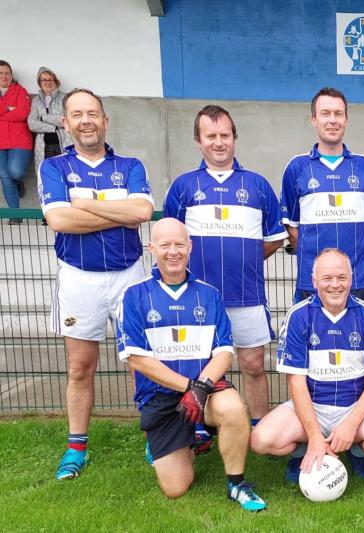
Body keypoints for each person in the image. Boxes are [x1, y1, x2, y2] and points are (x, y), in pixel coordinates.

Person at [38, 88, 154, 480]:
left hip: (128, 274)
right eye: (77, 114)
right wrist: (118, 214)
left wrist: (83, 204)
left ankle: (155, 438)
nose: (86, 120)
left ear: (105, 120)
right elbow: (60, 221)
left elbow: (142, 211)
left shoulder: (130, 164)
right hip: (79, 277)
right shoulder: (54, 168)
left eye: (93, 113)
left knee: (141, 363)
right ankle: (76, 448)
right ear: (66, 123)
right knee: (79, 366)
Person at [116, 218, 266, 511]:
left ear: (190, 247)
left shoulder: (209, 294)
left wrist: (202, 387)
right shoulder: (133, 296)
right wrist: (188, 387)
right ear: (151, 249)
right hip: (163, 397)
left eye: (179, 244)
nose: (173, 252)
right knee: (176, 488)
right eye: (165, 245)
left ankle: (237, 484)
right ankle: (190, 441)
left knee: (234, 408)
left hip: (206, 391)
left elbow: (223, 352)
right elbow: (137, 358)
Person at [163, 105, 287, 443]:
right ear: (198, 141)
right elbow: (169, 238)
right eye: (211, 136)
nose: (219, 143)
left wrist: (242, 259)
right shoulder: (183, 186)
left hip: (246, 296)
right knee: (199, 370)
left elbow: (274, 239)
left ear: (234, 138)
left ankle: (261, 429)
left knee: (253, 366)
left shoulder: (258, 185)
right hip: (197, 298)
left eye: (225, 135)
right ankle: (198, 428)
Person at [250, 248, 364, 482]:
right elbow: (296, 383)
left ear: (351, 279)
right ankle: (304, 451)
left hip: (354, 407)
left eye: (342, 277)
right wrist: (313, 436)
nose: (335, 285)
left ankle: (356, 450)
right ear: (314, 281)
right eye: (327, 278)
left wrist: (351, 426)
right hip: (313, 406)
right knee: (261, 441)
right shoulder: (298, 316)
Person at [281, 87, 364, 305]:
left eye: (338, 114)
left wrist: (355, 252)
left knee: (361, 338)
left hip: (357, 281)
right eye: (325, 113)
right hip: (311, 283)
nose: (332, 120)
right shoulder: (297, 168)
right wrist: (321, 263)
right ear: (314, 119)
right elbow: (292, 228)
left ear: (346, 119)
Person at [0, 60, 33, 222]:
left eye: (7, 73)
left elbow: (22, 114)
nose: (4, 76)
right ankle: (15, 216)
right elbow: (15, 112)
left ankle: (19, 181)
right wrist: (7, 108)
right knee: (5, 177)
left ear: (11, 75)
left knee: (14, 172)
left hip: (20, 141)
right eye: (0, 73)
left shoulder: (20, 91)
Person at [28, 67, 72, 173]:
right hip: (43, 146)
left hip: (63, 142)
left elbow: (66, 119)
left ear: (55, 81)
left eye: (50, 79)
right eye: (44, 80)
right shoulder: (36, 100)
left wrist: (43, 117)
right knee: (47, 175)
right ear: (39, 83)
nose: (47, 82)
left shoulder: (64, 97)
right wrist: (54, 127)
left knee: (65, 173)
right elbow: (32, 123)